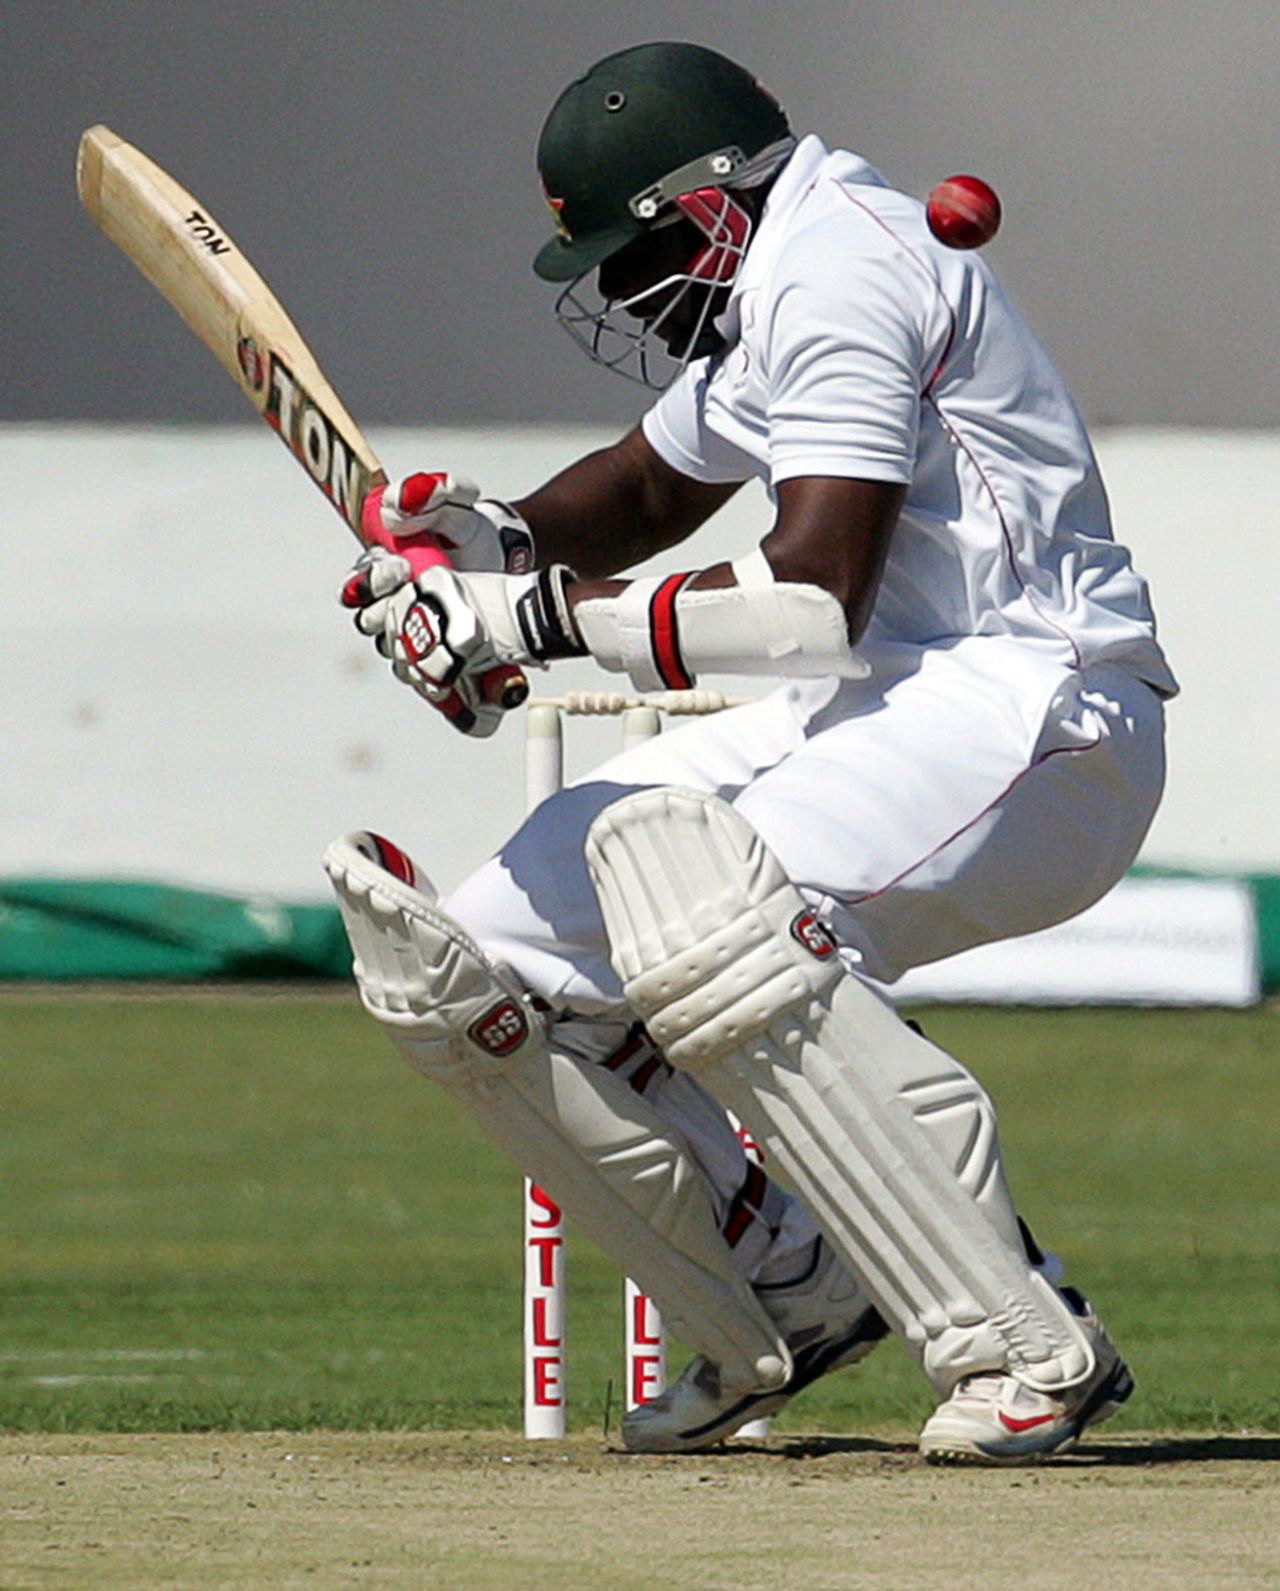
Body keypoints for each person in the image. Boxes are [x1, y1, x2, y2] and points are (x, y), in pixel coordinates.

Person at [325, 41, 1177, 1463]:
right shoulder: (777, 274)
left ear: (710, 208)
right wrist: (492, 545)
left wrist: (531, 617)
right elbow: (652, 485)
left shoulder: (840, 271)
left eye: (632, 255)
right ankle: (782, 1283)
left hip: (1035, 704)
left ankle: (1023, 1334)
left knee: (712, 911)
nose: (622, 293)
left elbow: (810, 595)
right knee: (478, 958)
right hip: (878, 701)